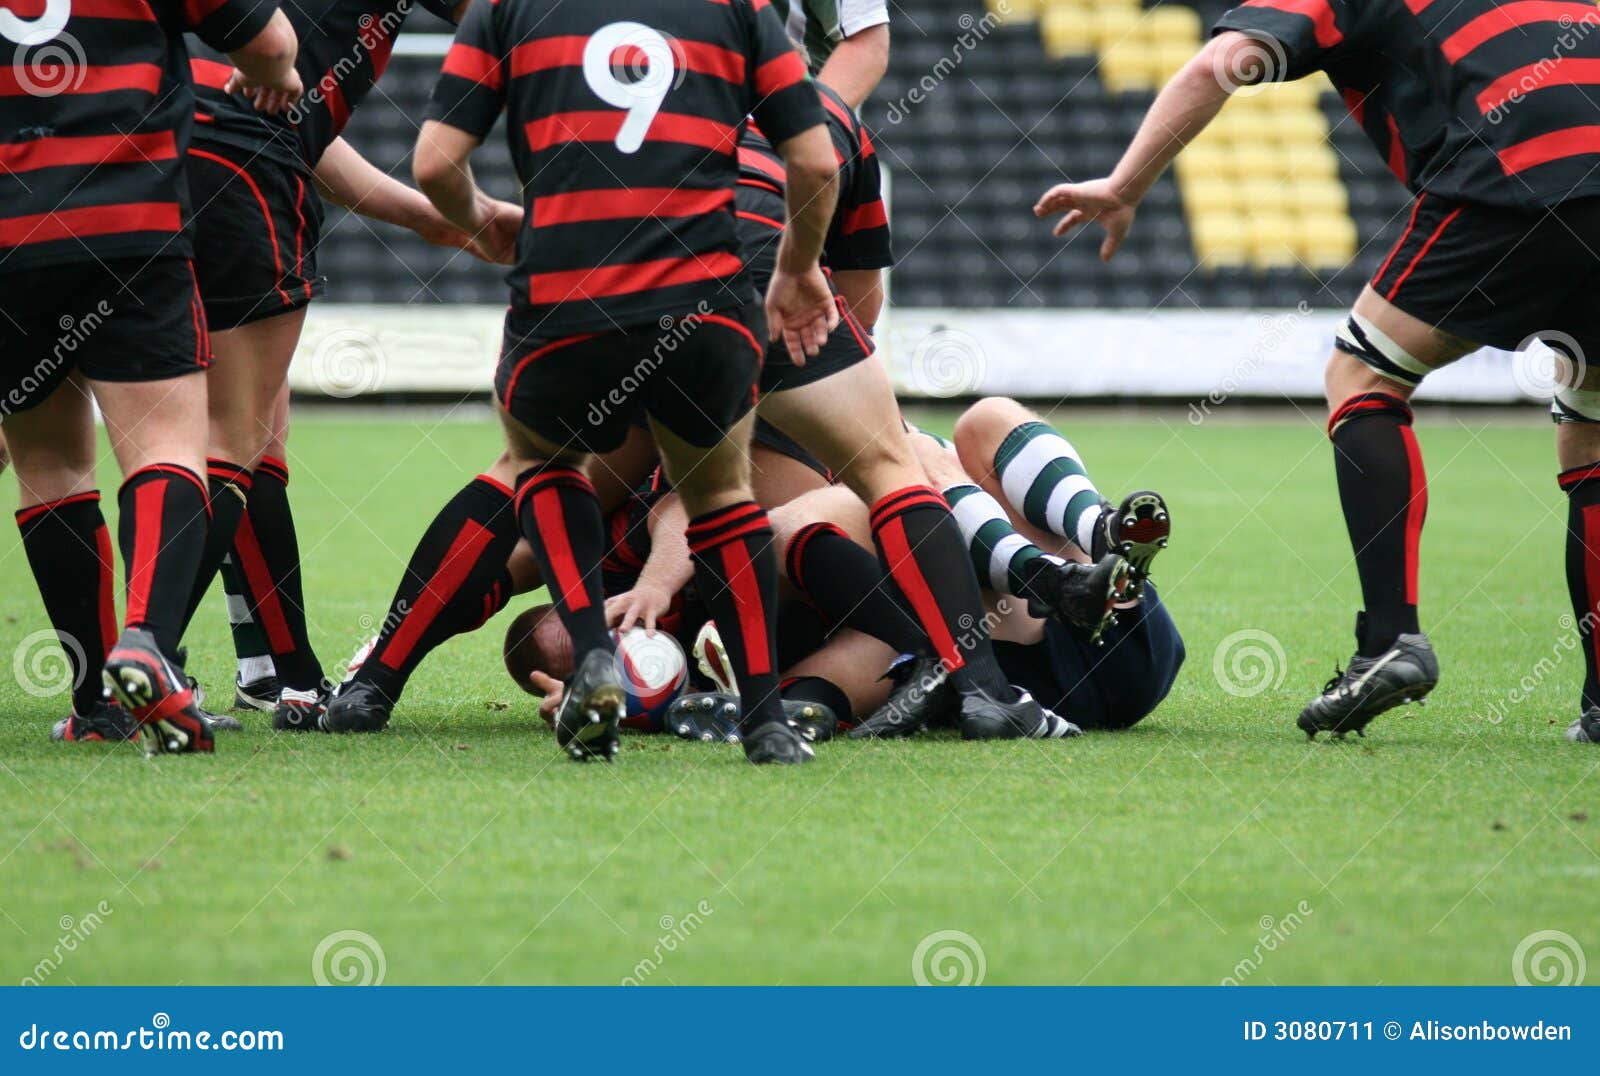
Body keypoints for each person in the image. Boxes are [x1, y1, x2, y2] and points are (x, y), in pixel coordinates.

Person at [1034, 1, 1600, 743]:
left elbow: (1218, 64)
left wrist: (1124, 186)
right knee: (1592, 434)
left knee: (1363, 377)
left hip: (1518, 166)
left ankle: (1390, 639)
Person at [323, 0, 841, 766]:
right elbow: (819, 161)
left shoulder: (505, 7)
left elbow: (433, 163)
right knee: (722, 499)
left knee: (540, 463)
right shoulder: (741, 8)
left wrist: (483, 218)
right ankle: (765, 721)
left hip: (567, 292)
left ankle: (586, 656)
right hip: (704, 297)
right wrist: (797, 269)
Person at [177, 0, 522, 731]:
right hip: (237, 168)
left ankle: (279, 673)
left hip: (142, 156)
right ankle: (145, 664)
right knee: (233, 440)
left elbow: (299, 128)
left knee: (226, 438)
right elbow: (507, 21)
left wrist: (432, 218)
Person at [2, 0, 302, 751]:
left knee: (48, 465)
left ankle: (96, 709)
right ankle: (146, 647)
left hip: (11, 236)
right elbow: (270, 43)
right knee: (166, 443)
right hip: (129, 222)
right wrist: (275, 73)